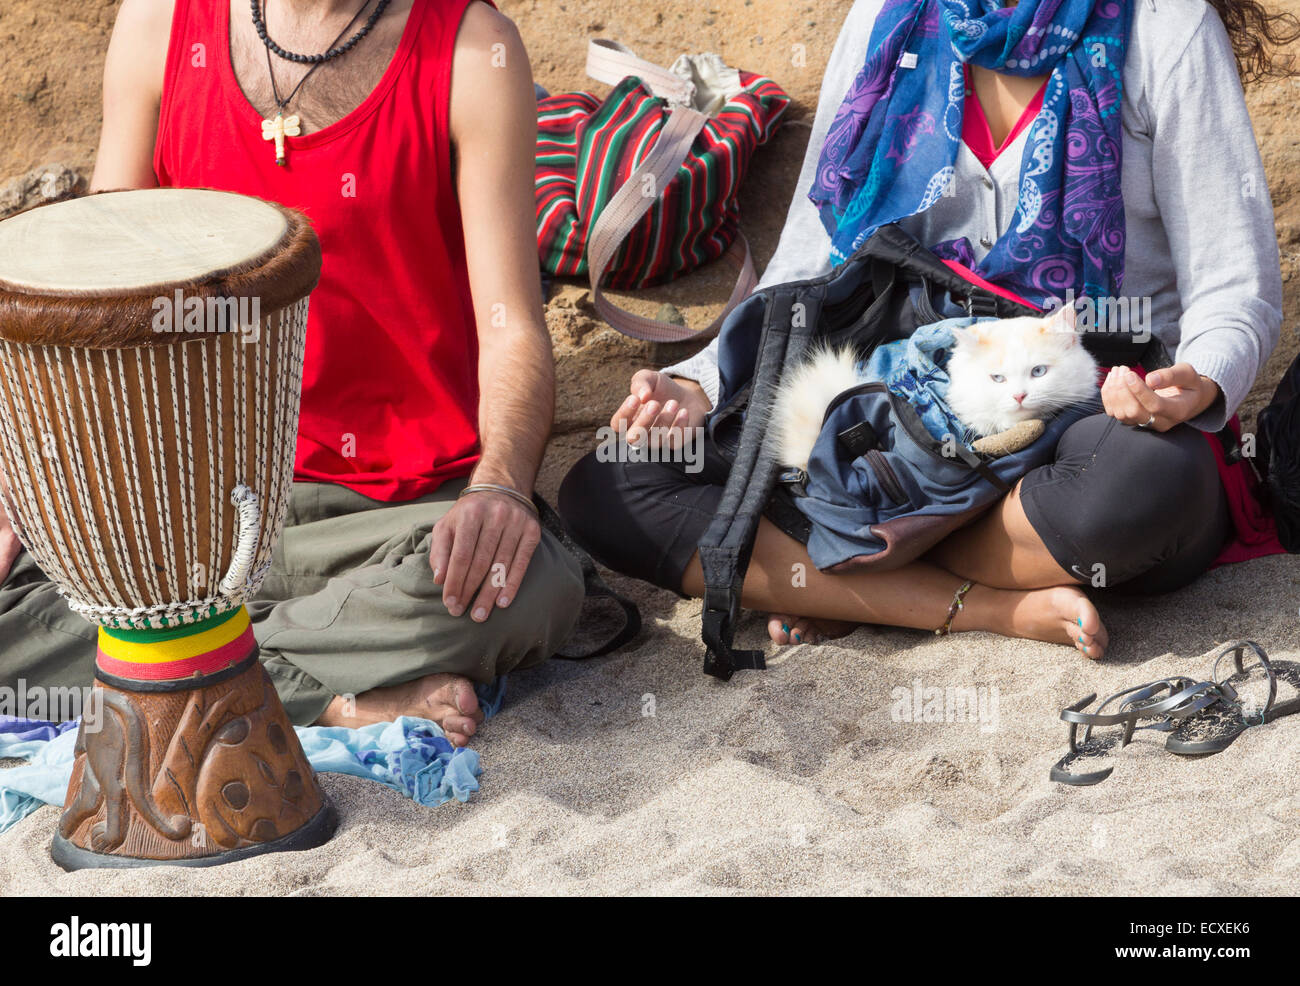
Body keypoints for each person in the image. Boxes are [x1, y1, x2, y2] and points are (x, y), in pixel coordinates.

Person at [560, 0, 1296, 660]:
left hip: (1089, 393)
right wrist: (701, 381)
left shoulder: (1165, 25)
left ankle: (832, 578)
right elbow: (814, 258)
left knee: (1143, 487)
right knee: (613, 483)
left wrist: (1192, 383)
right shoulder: (891, 17)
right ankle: (982, 607)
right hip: (911, 394)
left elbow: (1236, 287)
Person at [0, 0, 585, 747]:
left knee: (529, 590)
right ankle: (325, 695)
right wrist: (34, 475)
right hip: (190, 509)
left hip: (390, 515)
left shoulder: (472, 51)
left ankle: (192, 670)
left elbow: (513, 329)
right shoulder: (159, 24)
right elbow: (101, 300)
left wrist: (501, 485)